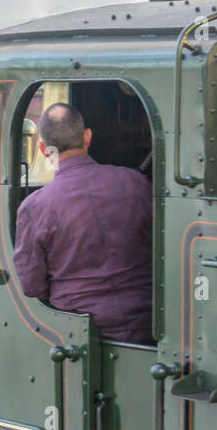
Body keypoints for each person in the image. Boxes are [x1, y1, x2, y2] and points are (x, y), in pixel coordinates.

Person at [13, 103, 153, 344]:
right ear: (87, 136)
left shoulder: (34, 207)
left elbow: (32, 286)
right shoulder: (136, 183)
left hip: (79, 333)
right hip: (146, 322)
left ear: (44, 148)